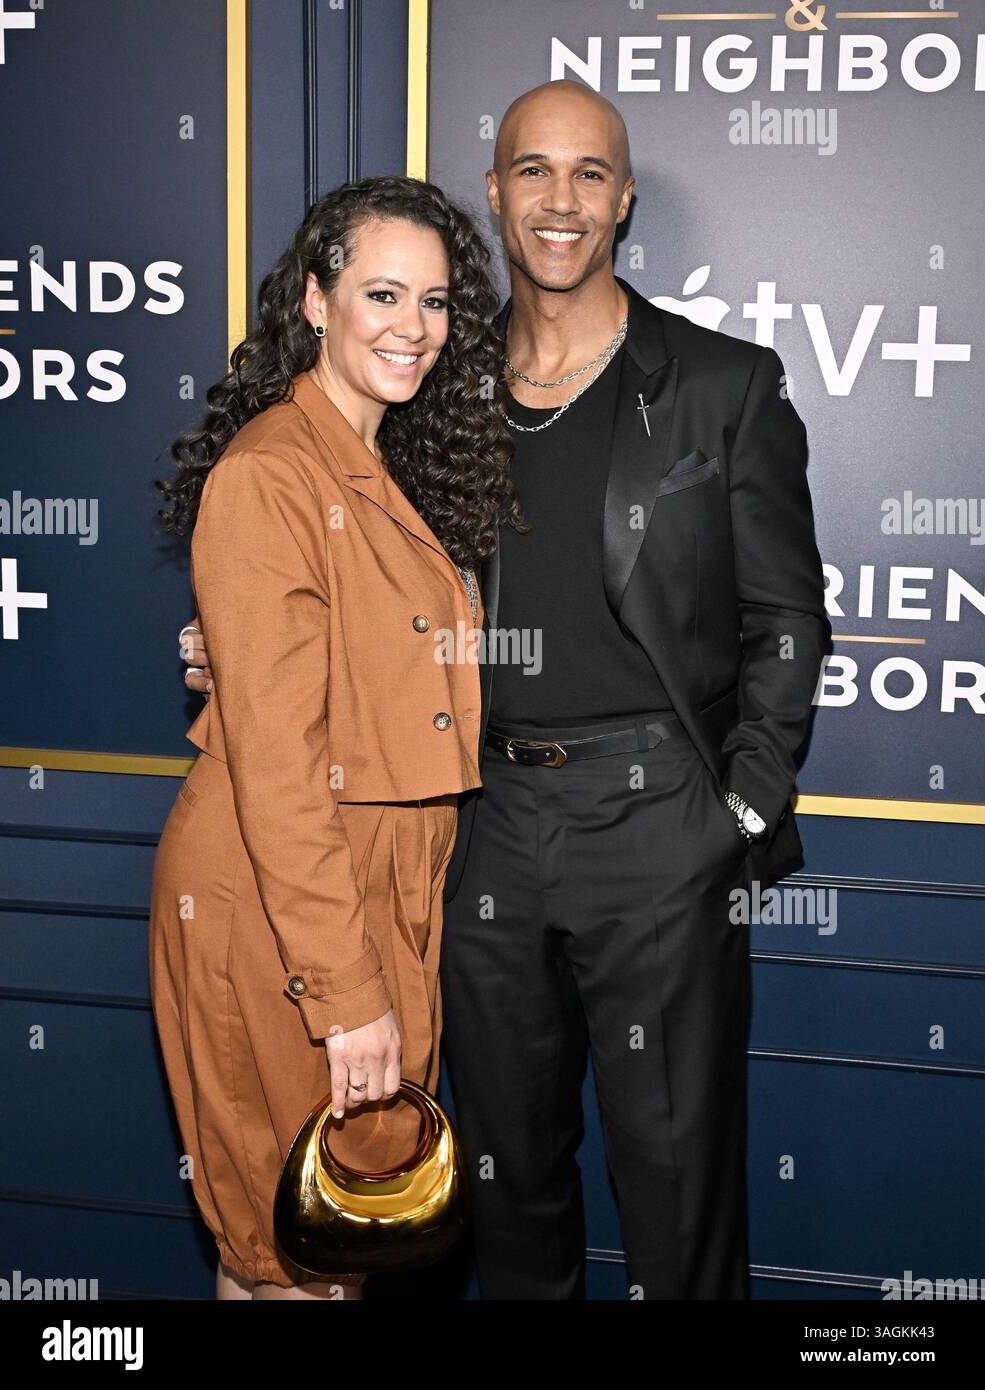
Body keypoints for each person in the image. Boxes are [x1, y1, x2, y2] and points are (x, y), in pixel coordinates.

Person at [178, 80, 831, 1300]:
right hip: (479, 833)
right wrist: (228, 636)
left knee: (680, 1191)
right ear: (496, 193)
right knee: (501, 1188)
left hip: (659, 827)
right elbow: (337, 579)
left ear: (626, 199)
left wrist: (735, 814)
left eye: (591, 173)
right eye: (534, 170)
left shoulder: (720, 383)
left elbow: (789, 618)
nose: (562, 200)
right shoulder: (431, 396)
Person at [149, 175, 521, 1301]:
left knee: (342, 1246)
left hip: (381, 883)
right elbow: (279, 766)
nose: (414, 327)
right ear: (315, 301)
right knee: (291, 1258)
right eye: (382, 293)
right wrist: (345, 988)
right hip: (286, 896)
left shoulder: (389, 462)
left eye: (439, 301)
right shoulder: (272, 471)